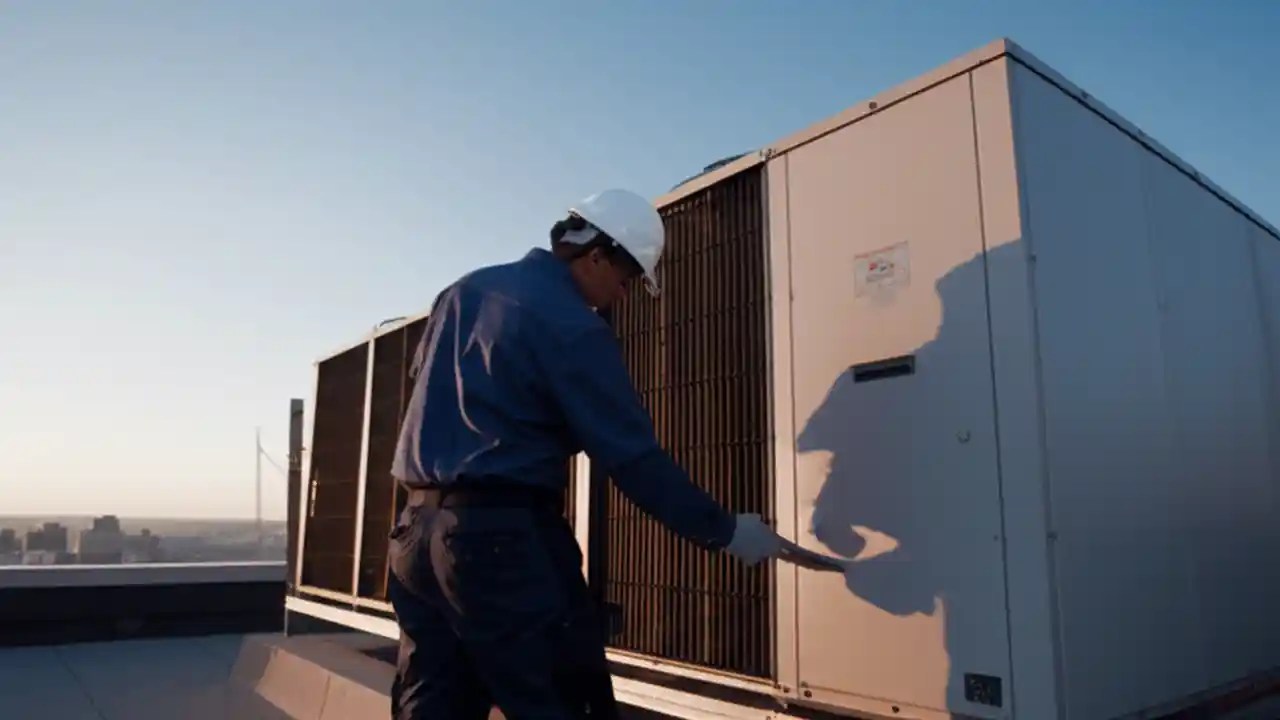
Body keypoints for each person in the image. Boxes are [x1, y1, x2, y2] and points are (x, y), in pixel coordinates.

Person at [386, 188, 784, 719]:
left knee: (434, 703)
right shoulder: (572, 325)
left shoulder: (461, 292)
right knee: (565, 701)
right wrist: (726, 531)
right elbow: (633, 458)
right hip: (500, 543)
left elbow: (437, 391)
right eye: (626, 277)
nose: (623, 293)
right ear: (596, 254)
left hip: (413, 538)